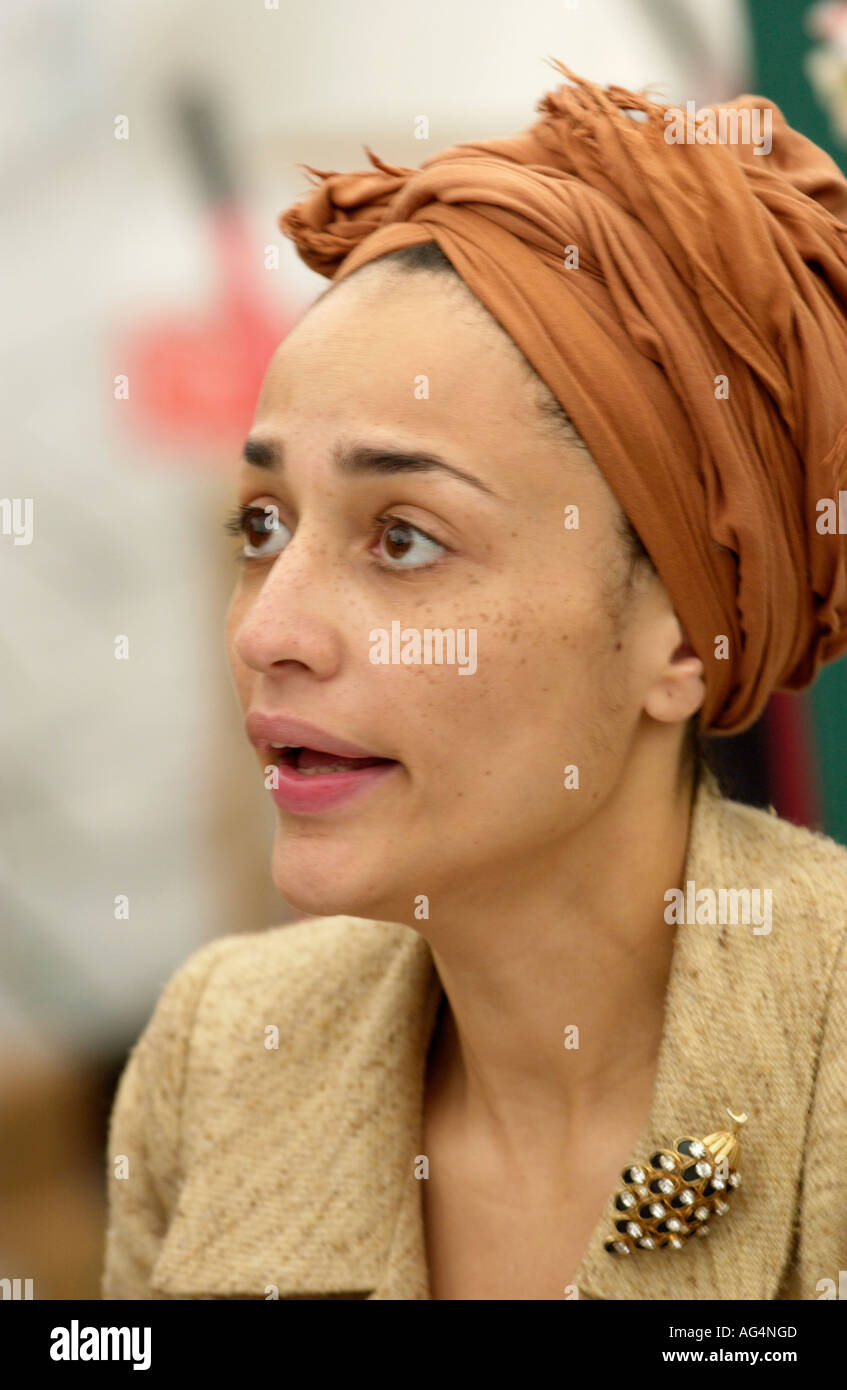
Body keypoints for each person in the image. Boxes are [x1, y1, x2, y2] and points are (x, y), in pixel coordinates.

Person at [102, 63, 847, 1300]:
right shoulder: (220, 1051)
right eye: (262, 524)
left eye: (403, 538)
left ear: (678, 634)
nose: (266, 631)